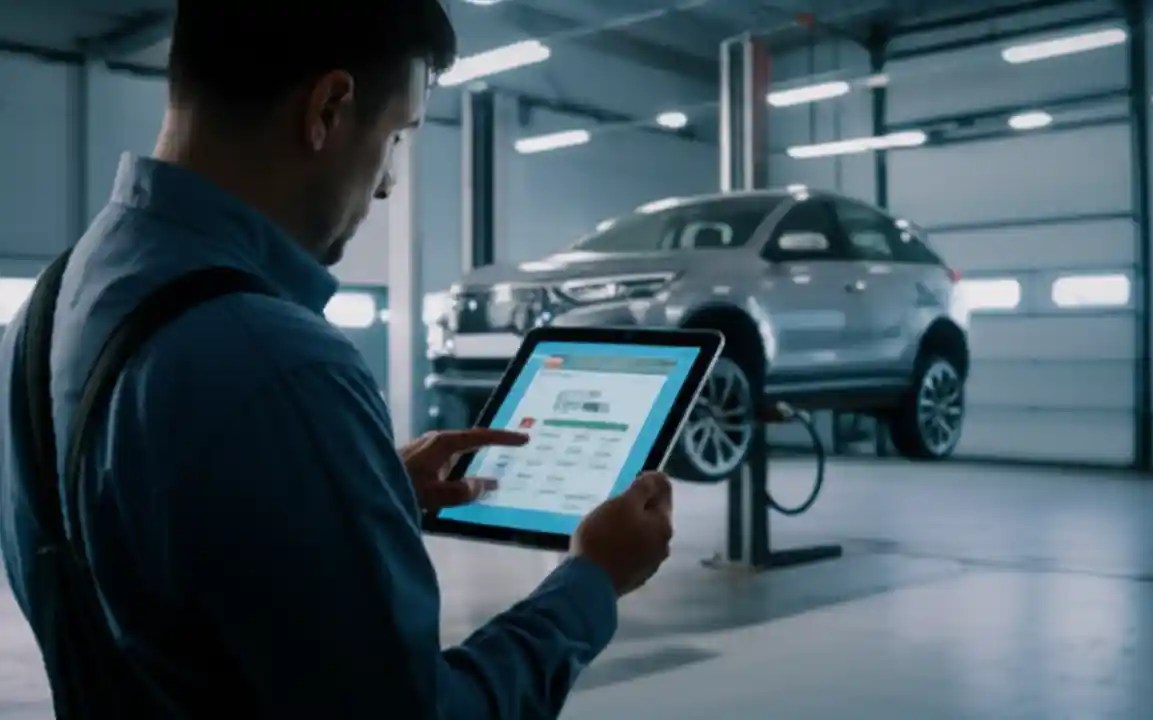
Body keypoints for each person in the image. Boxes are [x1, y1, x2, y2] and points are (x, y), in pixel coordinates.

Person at [0, 0, 674, 716]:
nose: (386, 183)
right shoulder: (281, 364)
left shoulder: (48, 311)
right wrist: (592, 582)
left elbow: (165, 573)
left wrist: (351, 495)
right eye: (395, 137)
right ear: (328, 106)